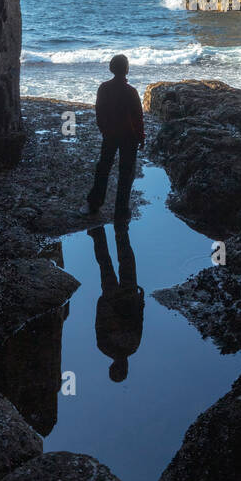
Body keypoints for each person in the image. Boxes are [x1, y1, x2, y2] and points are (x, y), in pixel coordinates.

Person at [84, 54, 145, 221]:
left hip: (110, 134)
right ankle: (121, 210)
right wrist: (141, 138)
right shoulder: (131, 92)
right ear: (126, 69)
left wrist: (104, 130)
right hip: (129, 136)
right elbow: (137, 117)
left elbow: (99, 112)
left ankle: (95, 202)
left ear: (111, 68)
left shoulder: (104, 88)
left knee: (103, 168)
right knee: (126, 172)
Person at [89, 222, 144, 382]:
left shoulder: (131, 347)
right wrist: (103, 302)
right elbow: (99, 322)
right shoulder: (105, 347)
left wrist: (140, 302)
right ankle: (100, 231)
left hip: (123, 297)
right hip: (115, 298)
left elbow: (138, 321)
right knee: (107, 263)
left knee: (123, 261)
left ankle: (119, 231)